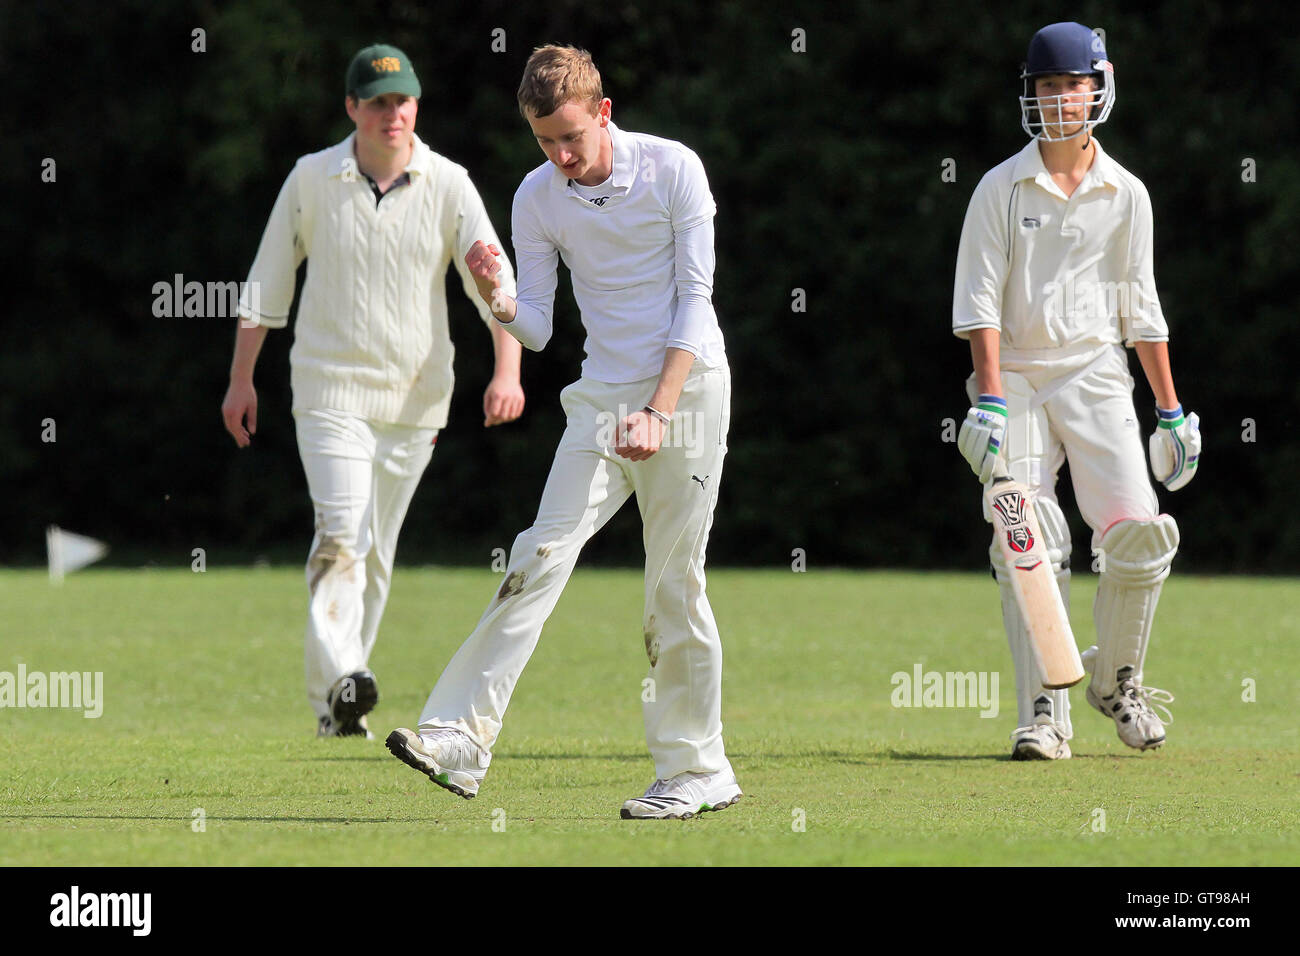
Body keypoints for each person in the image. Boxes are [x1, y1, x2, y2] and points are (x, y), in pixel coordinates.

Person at [386, 44, 741, 819]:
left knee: (672, 586)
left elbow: (696, 299)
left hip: (689, 391)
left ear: (603, 111)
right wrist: (497, 297)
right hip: (602, 399)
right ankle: (461, 740)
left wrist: (660, 408)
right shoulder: (537, 197)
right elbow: (539, 327)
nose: (561, 156)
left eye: (571, 137)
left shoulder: (673, 168)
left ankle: (697, 769)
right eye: (545, 141)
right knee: (538, 553)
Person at [222, 44, 525, 738]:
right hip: (329, 393)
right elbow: (266, 282)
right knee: (341, 536)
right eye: (379, 101)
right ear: (353, 107)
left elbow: (495, 285)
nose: (393, 113)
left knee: (376, 551)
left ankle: (336, 706)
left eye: (404, 101)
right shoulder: (310, 179)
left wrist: (507, 371)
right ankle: (344, 676)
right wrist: (241, 378)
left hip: (416, 402)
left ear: (416, 106)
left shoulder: (449, 183)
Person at [953, 22, 1201, 759]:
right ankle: (1042, 708)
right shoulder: (1000, 187)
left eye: (1073, 86)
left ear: (1100, 85)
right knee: (1024, 532)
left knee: (1141, 537)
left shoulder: (1127, 193)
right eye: (1048, 87)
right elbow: (980, 305)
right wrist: (990, 399)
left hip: (1096, 375)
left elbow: (1142, 309)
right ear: (1031, 94)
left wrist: (1171, 410)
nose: (1061, 101)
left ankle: (1117, 682)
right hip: (1019, 379)